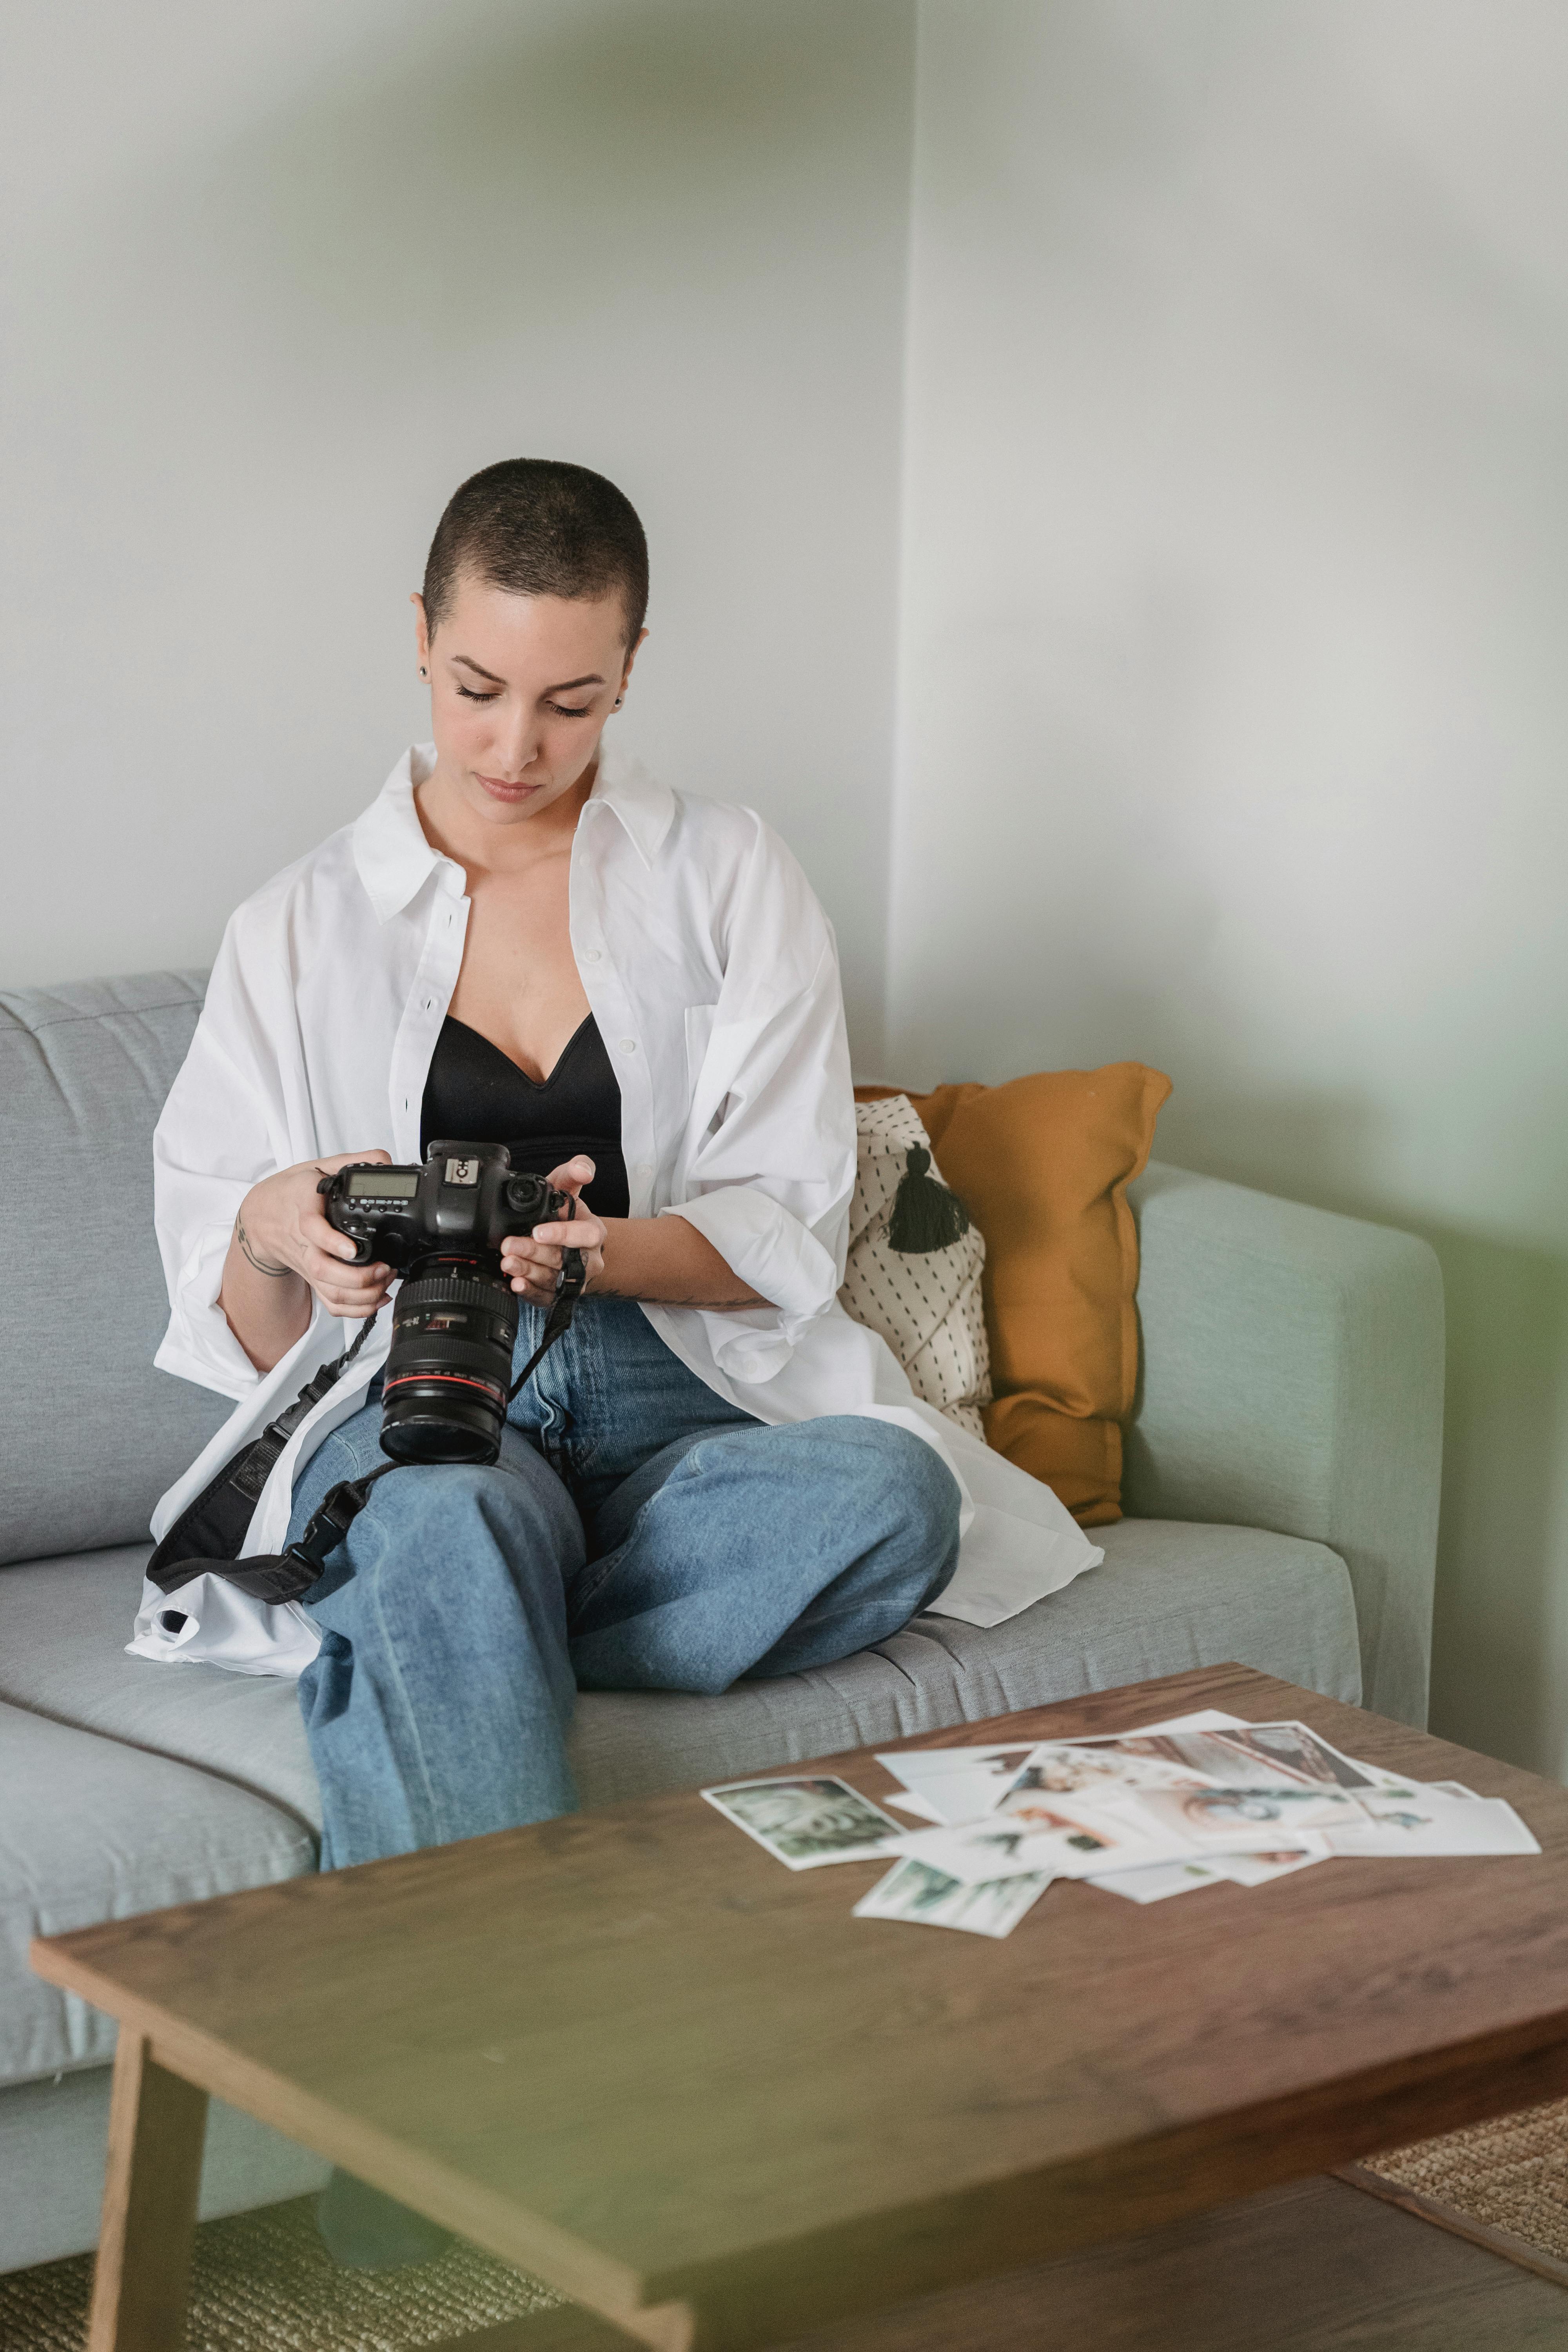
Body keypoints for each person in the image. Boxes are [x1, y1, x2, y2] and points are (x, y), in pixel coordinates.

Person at [144, 456, 1099, 2264]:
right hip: (429, 1392)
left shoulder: (725, 872)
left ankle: (447, 1637)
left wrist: (599, 1246)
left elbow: (790, 1219)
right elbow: (248, 1346)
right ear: (418, 643)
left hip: (674, 1377)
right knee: (438, 1513)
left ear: (633, 667)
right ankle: (513, 2157)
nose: (519, 744)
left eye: (573, 700)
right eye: (481, 688)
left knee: (889, 1497)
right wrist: (284, 1228)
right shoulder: (295, 926)